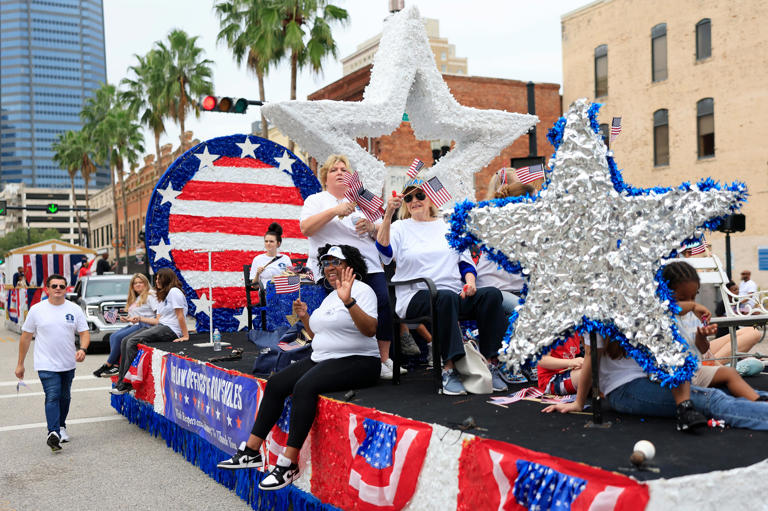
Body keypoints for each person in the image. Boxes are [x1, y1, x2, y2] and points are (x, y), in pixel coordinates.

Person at [216, 244, 380, 490]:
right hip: (324, 357)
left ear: (350, 266)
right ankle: (251, 451)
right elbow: (317, 335)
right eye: (326, 263)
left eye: (336, 261)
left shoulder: (363, 291)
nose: (330, 267)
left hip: (359, 360)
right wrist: (305, 317)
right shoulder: (331, 296)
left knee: (304, 387)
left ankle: (288, 463)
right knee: (276, 383)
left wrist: (350, 302)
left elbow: (370, 330)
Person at [543, 275, 768, 432]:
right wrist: (579, 402)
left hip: (649, 379)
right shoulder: (599, 314)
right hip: (625, 390)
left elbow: (670, 308)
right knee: (713, 399)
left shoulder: (638, 306)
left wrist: (693, 307)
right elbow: (592, 360)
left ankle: (759, 403)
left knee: (725, 387)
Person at [376, 178, 508, 395]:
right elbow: (384, 254)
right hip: (416, 294)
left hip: (454, 294)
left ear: (430, 199)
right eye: (408, 198)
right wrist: (388, 215)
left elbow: (466, 263)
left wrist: (470, 284)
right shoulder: (400, 227)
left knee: (491, 295)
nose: (414, 201)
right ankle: (449, 368)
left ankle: (492, 363)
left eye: (420, 195)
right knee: (444, 297)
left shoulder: (447, 225)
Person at [299, 154, 398, 379]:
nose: (340, 172)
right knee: (341, 312)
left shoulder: (364, 201)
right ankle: (341, 358)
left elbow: (383, 233)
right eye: (334, 170)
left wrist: (371, 226)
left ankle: (383, 360)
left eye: (344, 169)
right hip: (333, 266)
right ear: (325, 178)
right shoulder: (316, 200)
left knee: (383, 304)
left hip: (369, 264)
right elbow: (306, 228)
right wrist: (335, 211)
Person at [665, 261, 764, 401]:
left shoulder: (693, 315)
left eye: (694, 296)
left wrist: (702, 336)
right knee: (745, 368)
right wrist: (692, 305)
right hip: (679, 371)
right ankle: (730, 369)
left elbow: (703, 348)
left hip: (699, 363)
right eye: (682, 298)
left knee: (751, 337)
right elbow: (666, 307)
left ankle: (757, 399)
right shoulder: (662, 313)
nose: (691, 302)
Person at [15, 274, 90, 451]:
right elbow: (25, 338)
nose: (58, 289)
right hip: (45, 364)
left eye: (61, 286)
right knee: (53, 395)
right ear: (47, 289)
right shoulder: (36, 310)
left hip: (68, 363)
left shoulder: (74, 309)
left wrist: (83, 349)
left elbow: (84, 333)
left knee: (65, 397)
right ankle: (53, 432)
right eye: (54, 286)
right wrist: (20, 363)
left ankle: (61, 427)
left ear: (66, 289)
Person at [110, 268, 189, 395]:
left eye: (159, 278)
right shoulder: (165, 295)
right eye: (156, 278)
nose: (156, 281)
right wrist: (139, 318)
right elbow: (158, 320)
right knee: (125, 340)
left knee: (132, 341)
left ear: (166, 279)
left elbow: (180, 315)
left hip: (171, 330)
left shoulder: (174, 292)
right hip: (162, 326)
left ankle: (127, 383)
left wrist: (185, 335)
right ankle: (121, 382)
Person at [475, 182, 535, 315]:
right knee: (528, 314)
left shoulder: (526, 228)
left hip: (519, 292)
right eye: (534, 200)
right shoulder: (503, 228)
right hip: (495, 292)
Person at [93, 273, 158, 378]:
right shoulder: (137, 298)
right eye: (135, 283)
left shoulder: (150, 295)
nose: (137, 285)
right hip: (134, 324)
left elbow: (157, 315)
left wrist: (139, 319)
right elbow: (136, 316)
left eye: (140, 282)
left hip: (145, 325)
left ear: (146, 283)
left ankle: (108, 364)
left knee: (119, 337)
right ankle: (116, 365)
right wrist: (127, 319)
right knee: (113, 336)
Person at [249, 222, 292, 287]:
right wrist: (258, 274)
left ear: (278, 243)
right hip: (266, 294)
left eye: (271, 241)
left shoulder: (285, 258)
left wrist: (289, 274)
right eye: (266, 241)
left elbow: (292, 280)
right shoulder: (258, 259)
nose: (268, 243)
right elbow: (254, 286)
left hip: (283, 292)